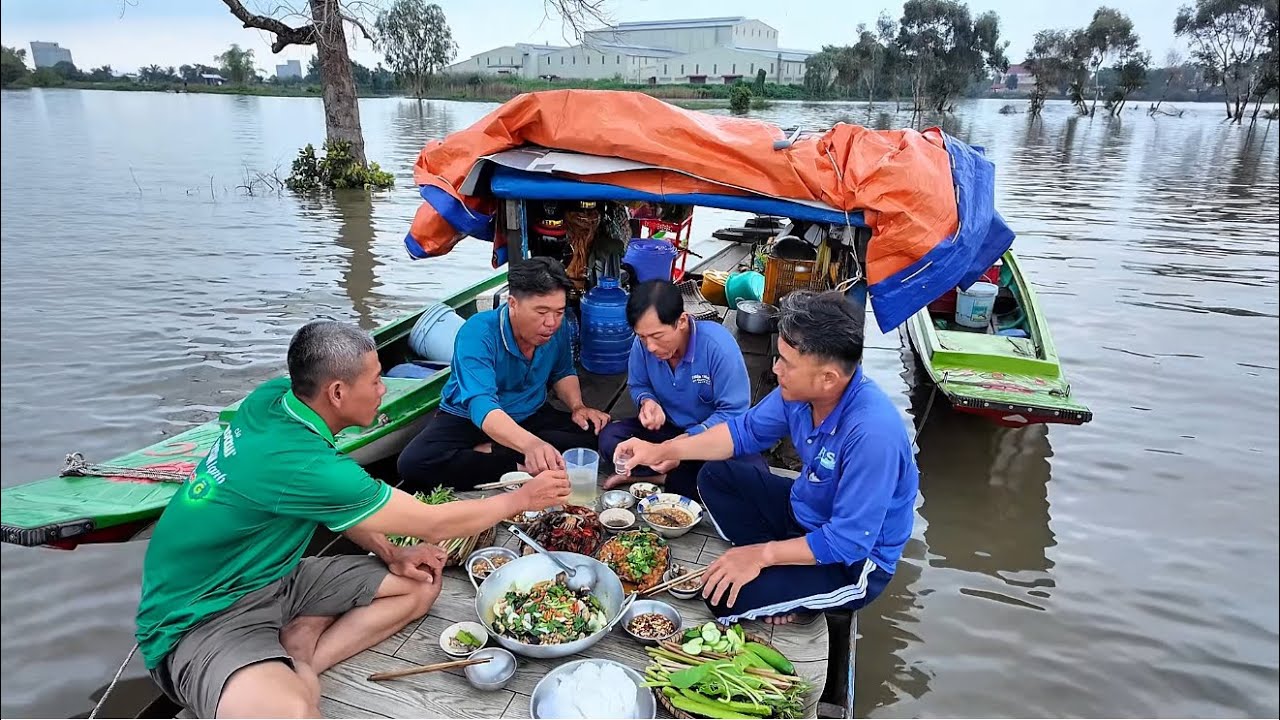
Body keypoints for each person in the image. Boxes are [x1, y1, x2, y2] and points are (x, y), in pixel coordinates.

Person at [135, 321, 570, 719]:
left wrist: (391, 552)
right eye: (376, 380)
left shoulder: (273, 398)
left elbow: (329, 504)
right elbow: (434, 523)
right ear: (338, 393)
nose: (383, 389)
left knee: (420, 583)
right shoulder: (303, 463)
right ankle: (284, 675)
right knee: (293, 712)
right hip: (205, 613)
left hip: (275, 574)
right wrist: (522, 498)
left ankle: (302, 659)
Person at [615, 291, 918, 626]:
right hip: (803, 511)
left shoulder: (873, 435)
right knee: (715, 475)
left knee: (722, 597)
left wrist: (762, 554)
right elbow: (742, 432)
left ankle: (800, 593)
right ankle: (781, 570)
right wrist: (662, 450)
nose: (775, 368)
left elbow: (848, 542)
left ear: (828, 378)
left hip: (852, 561)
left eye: (786, 362)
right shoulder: (799, 394)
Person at [397, 257, 611, 490]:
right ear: (513, 304)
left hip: (529, 412)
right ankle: (515, 463)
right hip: (470, 418)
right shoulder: (478, 333)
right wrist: (531, 445)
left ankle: (496, 452)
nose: (551, 322)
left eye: (559, 312)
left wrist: (578, 406)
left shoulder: (555, 329)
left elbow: (562, 371)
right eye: (541, 311)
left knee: (599, 435)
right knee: (414, 463)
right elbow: (481, 404)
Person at [598, 280, 765, 499]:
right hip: (668, 430)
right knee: (611, 438)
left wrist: (683, 444)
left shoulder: (718, 347)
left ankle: (656, 478)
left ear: (682, 321)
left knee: (753, 475)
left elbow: (734, 412)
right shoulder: (643, 345)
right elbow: (639, 384)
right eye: (642, 337)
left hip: (711, 437)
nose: (650, 346)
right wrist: (648, 401)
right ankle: (681, 478)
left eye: (657, 336)